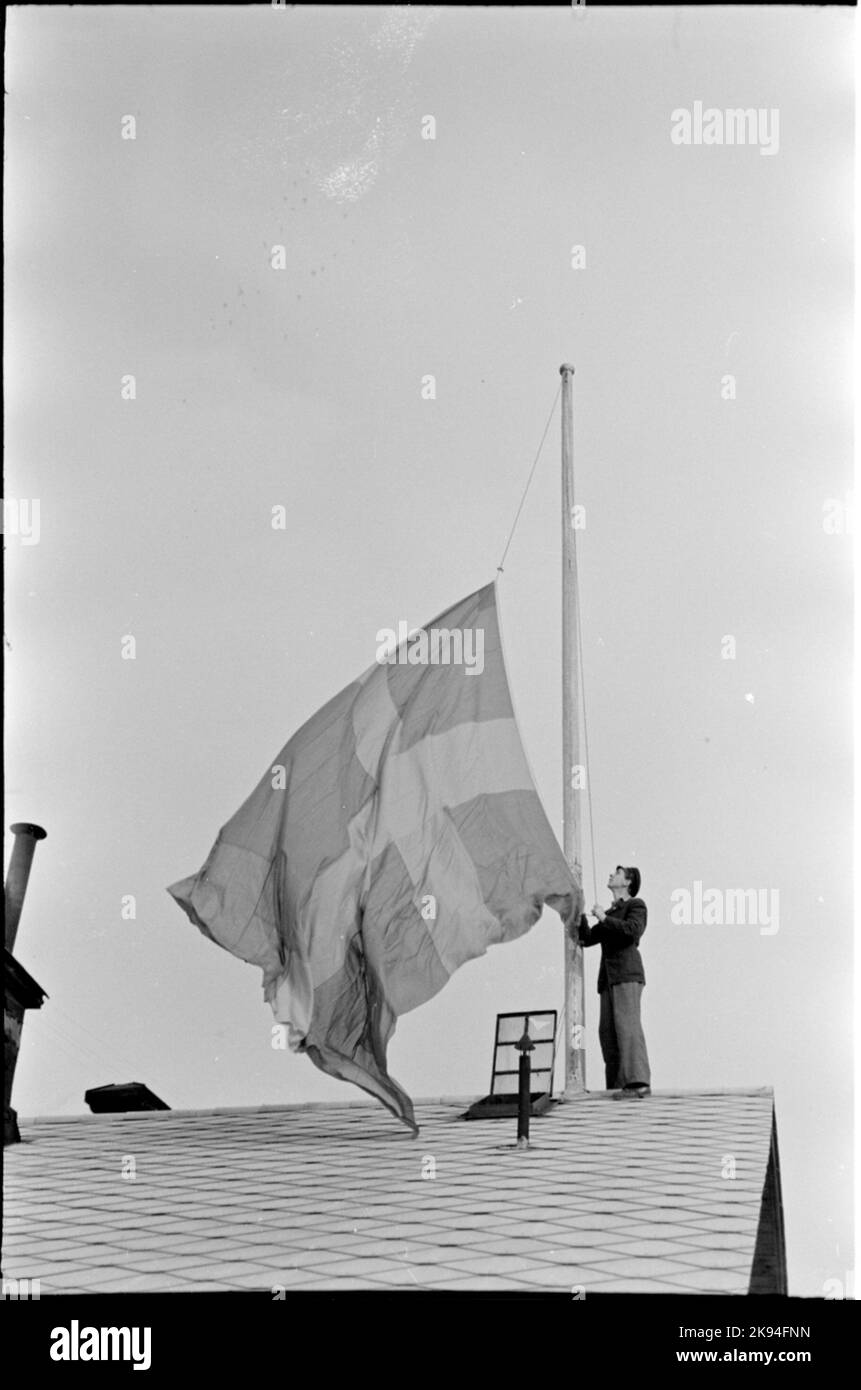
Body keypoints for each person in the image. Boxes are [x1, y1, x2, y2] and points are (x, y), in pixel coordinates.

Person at [575, 865, 651, 1099]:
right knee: (608, 1032)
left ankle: (637, 1082)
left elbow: (632, 931)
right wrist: (578, 912)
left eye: (617, 873)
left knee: (627, 1027)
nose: (611, 875)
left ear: (628, 882)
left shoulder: (635, 905)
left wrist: (603, 917)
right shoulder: (612, 912)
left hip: (626, 974)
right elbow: (587, 939)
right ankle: (618, 1086)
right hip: (609, 979)